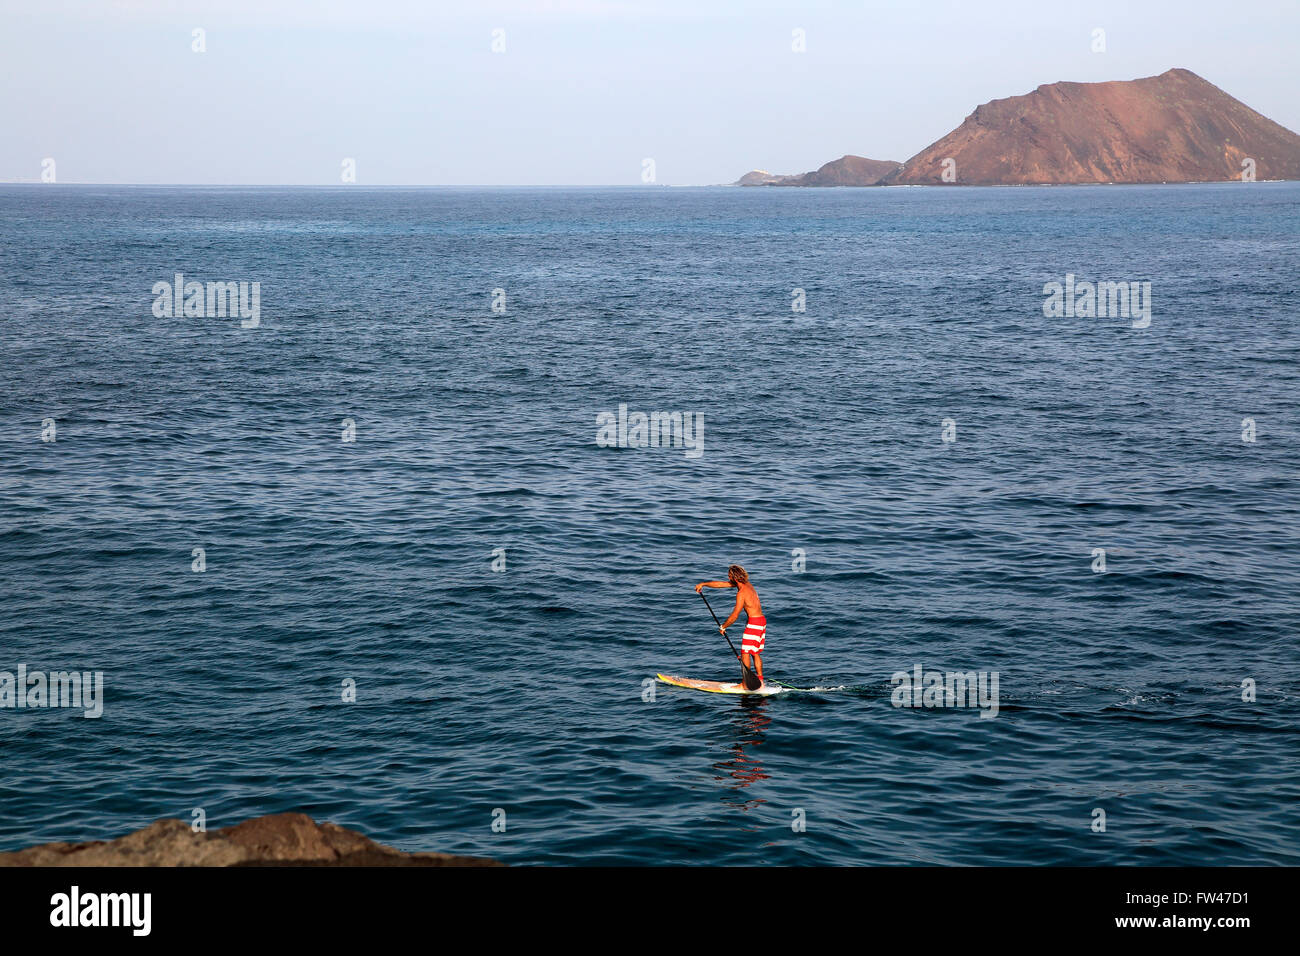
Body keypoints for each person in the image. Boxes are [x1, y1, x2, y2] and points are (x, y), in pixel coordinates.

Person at [695, 565, 766, 687]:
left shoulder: (741, 593)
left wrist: (724, 626)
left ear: (734, 577)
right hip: (761, 621)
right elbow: (722, 584)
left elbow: (735, 615)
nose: (728, 578)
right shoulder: (747, 584)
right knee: (755, 652)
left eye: (729, 576)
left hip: (754, 624)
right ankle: (760, 680)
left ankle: (745, 684)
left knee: (745, 652)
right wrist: (704, 584)